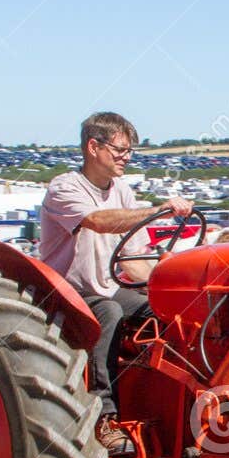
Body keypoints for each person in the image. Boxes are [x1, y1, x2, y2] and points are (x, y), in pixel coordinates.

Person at [39, 112, 192, 417]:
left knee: (163, 312)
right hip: (68, 292)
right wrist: (158, 211)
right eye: (120, 150)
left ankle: (171, 402)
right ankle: (103, 413)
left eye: (130, 151)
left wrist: (165, 290)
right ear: (93, 147)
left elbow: (133, 259)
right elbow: (97, 221)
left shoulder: (122, 191)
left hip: (108, 288)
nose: (126, 157)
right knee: (109, 311)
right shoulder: (65, 188)